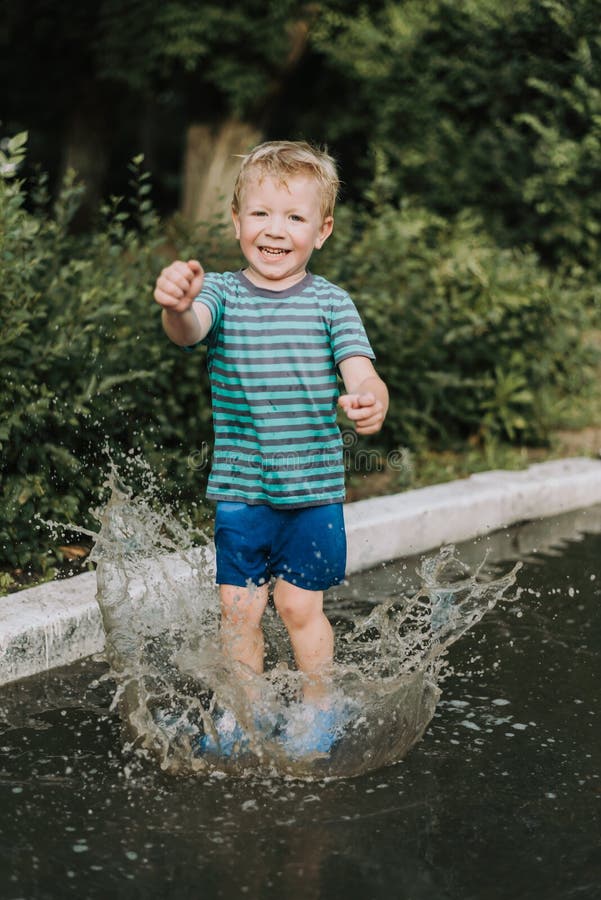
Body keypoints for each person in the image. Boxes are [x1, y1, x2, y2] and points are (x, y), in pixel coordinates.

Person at [153, 141, 389, 756]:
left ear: (322, 230)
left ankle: (318, 709)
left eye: (293, 217)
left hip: (312, 492)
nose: (275, 230)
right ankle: (244, 711)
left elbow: (361, 370)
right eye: (260, 214)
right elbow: (188, 332)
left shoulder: (331, 303)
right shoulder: (223, 296)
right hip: (240, 489)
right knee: (239, 612)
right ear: (236, 222)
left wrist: (369, 397)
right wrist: (177, 305)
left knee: (299, 608)